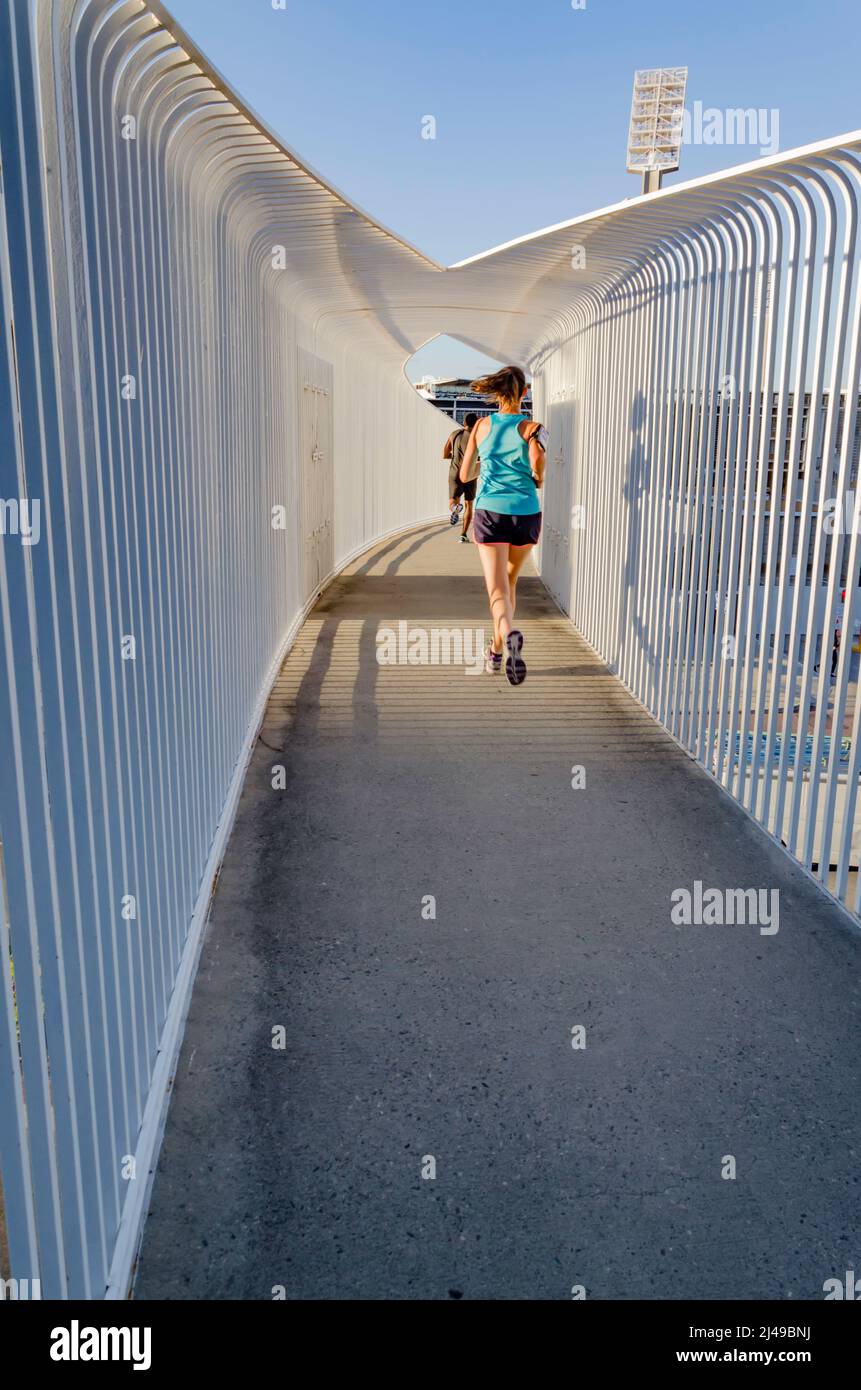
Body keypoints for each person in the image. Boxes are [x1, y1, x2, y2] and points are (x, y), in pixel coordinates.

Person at [459, 366, 546, 685]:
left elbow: (465, 474)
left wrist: (492, 464)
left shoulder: (481, 425)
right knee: (511, 582)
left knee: (496, 589)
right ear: (524, 393)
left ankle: (508, 634)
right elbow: (538, 464)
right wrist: (533, 474)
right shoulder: (533, 427)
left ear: (497, 394)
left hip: (490, 512)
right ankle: (496, 651)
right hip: (525, 511)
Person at [444, 412, 478, 542]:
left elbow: (445, 452)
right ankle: (463, 535)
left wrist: (453, 457)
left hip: (454, 472)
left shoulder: (454, 434)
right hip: (470, 474)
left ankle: (454, 508)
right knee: (469, 505)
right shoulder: (476, 438)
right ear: (476, 424)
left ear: (464, 422)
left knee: (453, 499)